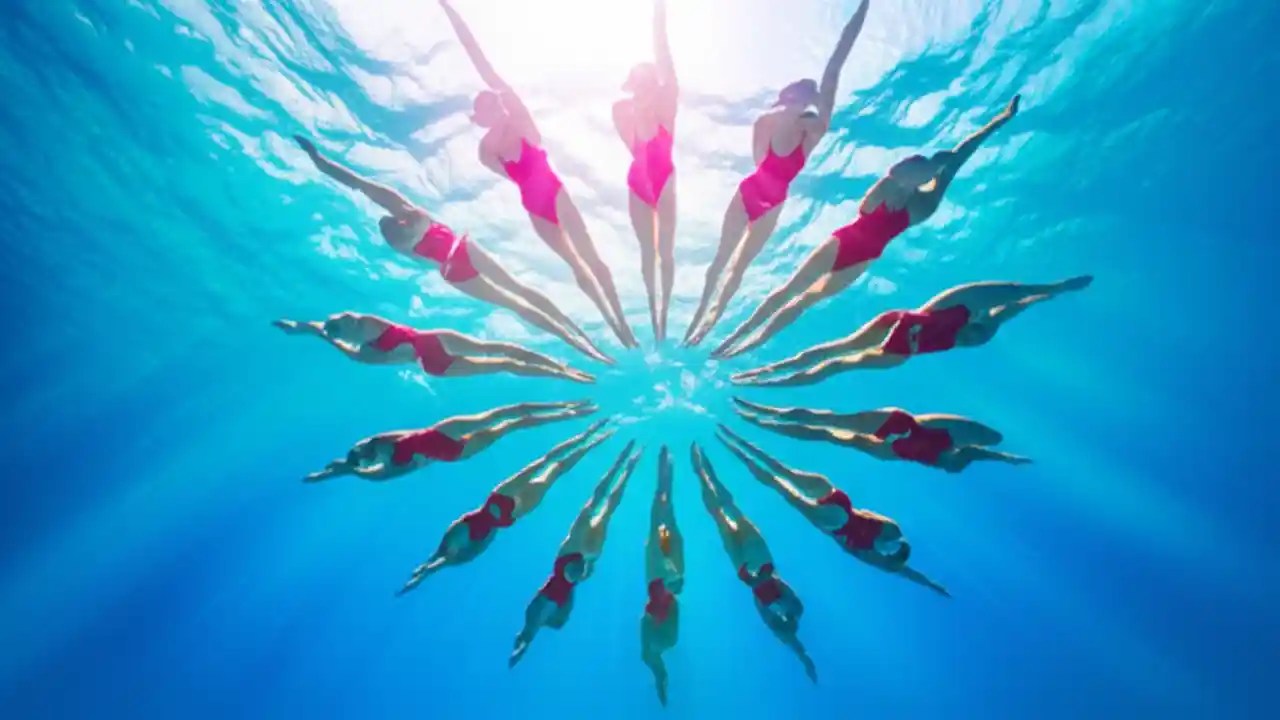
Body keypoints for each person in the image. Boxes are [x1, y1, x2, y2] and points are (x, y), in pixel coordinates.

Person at [713, 95, 1022, 357]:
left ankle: (751, 342)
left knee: (806, 298)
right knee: (790, 290)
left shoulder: (923, 202)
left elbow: (960, 157)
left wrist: (1000, 121)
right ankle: (737, 335)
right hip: (845, 242)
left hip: (862, 256)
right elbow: (938, 163)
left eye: (928, 171)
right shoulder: (894, 184)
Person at [293, 135, 611, 364]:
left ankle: (575, 332)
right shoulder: (398, 232)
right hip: (453, 269)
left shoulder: (400, 208)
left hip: (460, 251)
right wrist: (320, 162)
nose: (389, 226)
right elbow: (358, 184)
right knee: (513, 300)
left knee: (518, 290)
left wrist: (321, 162)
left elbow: (358, 182)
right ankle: (575, 341)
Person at [439, 0, 637, 348]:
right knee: (575, 263)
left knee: (590, 256)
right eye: (484, 107)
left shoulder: (519, 118)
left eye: (492, 101)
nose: (492, 107)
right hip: (535, 206)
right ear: (479, 117)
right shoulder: (486, 149)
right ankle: (608, 321)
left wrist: (451, 13)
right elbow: (511, 176)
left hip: (553, 192)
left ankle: (621, 320)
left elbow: (482, 63)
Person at [683, 0, 871, 346]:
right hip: (756, 191)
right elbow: (761, 156)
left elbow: (836, 64)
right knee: (723, 259)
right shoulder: (777, 120)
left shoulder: (811, 126)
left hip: (768, 198)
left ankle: (708, 323)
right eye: (805, 93)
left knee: (735, 266)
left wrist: (862, 11)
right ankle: (698, 316)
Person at [734, 275, 1093, 386]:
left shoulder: (974, 327)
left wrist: (1045, 296)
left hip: (905, 344)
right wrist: (1053, 290)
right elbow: (1013, 295)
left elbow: (1014, 304)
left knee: (839, 358)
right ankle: (768, 373)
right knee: (839, 353)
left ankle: (769, 377)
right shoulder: (964, 310)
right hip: (909, 328)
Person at [716, 425, 949, 596]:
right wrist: (928, 583)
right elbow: (902, 570)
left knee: (783, 472)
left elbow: (903, 568)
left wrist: (929, 583)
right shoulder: (874, 550)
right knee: (781, 485)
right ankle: (736, 447)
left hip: (841, 502)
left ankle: (736, 440)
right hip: (835, 521)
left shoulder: (889, 531)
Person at [398, 421, 613, 594]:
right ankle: (588, 439)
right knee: (551, 467)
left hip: (497, 513)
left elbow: (469, 536)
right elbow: (471, 537)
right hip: (499, 513)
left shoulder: (468, 536)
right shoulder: (470, 538)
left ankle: (588, 439)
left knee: (549, 466)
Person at [509, 441, 642, 667]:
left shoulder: (550, 606)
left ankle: (626, 464)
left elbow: (533, 621)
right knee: (601, 507)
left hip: (572, 561)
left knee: (600, 507)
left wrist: (523, 643)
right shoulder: (558, 603)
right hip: (575, 561)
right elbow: (539, 617)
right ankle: (626, 465)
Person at [691, 443, 816, 681]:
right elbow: (780, 587)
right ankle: (706, 470)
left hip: (749, 573)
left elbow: (794, 645)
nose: (782, 619)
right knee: (730, 510)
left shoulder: (776, 627)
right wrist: (807, 661)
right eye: (786, 621)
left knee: (721, 517)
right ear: (792, 622)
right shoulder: (796, 609)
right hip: (760, 567)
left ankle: (701, 473)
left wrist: (805, 662)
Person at [304, 400, 597, 483]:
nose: (363, 448)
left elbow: (361, 456)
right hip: (455, 449)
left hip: (440, 432)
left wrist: (336, 469)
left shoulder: (375, 444)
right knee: (511, 424)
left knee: (506, 414)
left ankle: (569, 406)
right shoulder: (383, 467)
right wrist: (341, 471)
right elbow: (367, 471)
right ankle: (570, 414)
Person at [274, 311, 593, 383]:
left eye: (350, 320)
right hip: (434, 365)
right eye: (348, 325)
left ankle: (559, 365)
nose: (352, 321)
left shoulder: (366, 323)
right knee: (502, 365)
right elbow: (328, 336)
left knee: (493, 348)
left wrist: (300, 327)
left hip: (432, 340)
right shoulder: (364, 354)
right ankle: (563, 375)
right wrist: (310, 332)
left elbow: (325, 327)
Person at [613, 0, 678, 342]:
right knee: (646, 253)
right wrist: (639, 110)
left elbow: (663, 51)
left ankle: (665, 310)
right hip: (638, 181)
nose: (644, 90)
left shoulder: (668, 107)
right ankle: (653, 308)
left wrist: (659, 13)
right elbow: (632, 147)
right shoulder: (621, 111)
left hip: (664, 179)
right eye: (639, 84)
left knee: (665, 251)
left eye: (650, 83)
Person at [734, 399, 1030, 473]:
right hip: (903, 429)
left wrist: (1006, 458)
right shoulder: (959, 435)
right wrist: (1007, 458)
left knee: (830, 433)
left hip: (897, 450)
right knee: (833, 422)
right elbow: (981, 447)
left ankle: (765, 422)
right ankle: (765, 411)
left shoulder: (958, 456)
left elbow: (979, 451)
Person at [640, 446, 684, 705]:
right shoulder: (665, 638)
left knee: (662, 516)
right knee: (663, 518)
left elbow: (657, 668)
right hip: (665, 564)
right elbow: (673, 591)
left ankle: (666, 472)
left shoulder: (656, 644)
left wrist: (661, 684)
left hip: (663, 566)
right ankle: (666, 472)